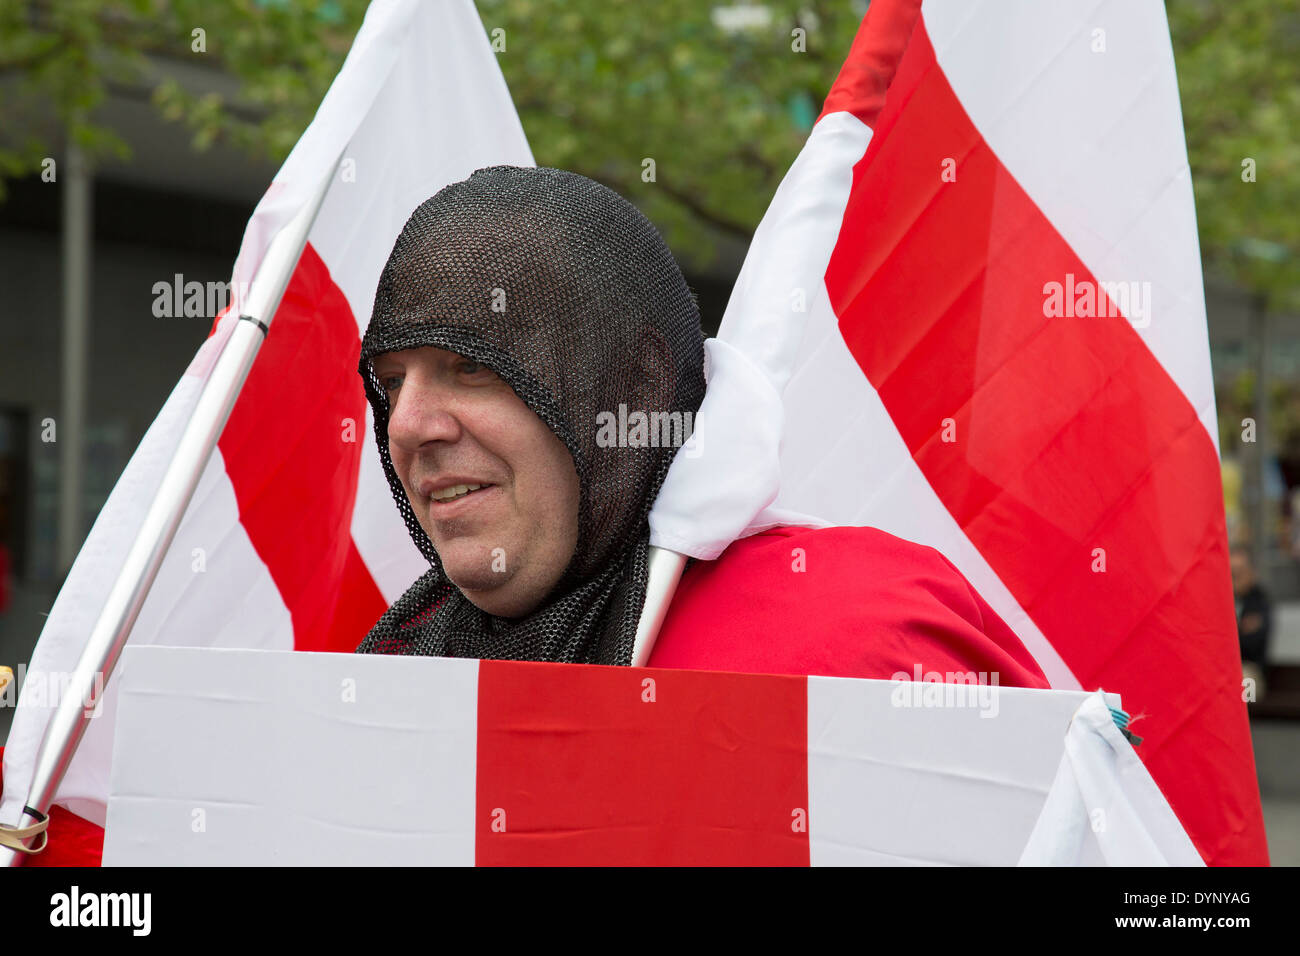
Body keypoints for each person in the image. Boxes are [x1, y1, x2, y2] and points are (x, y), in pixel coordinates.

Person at [356, 165, 1048, 689]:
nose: (409, 425)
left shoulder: (862, 635)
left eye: (472, 367)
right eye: (391, 383)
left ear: (638, 385)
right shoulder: (394, 665)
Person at [1230, 546, 1271, 697]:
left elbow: (1256, 642)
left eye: (1240, 572)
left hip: (1250, 669)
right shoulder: (1218, 602)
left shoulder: (1260, 601)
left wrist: (1232, 637)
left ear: (1251, 573)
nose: (1235, 578)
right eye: (1231, 573)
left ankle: (1242, 721)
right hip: (1222, 669)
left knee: (1244, 682)